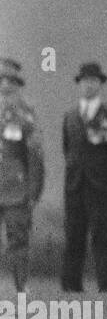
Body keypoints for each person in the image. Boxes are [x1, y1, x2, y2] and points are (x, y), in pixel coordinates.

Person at [61, 62, 107, 293]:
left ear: (100, 84)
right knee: (73, 237)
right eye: (85, 81)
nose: (89, 85)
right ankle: (71, 287)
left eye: (93, 81)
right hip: (75, 186)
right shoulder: (69, 116)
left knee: (103, 238)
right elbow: (67, 149)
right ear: (79, 84)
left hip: (101, 187)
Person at [0, 58, 44, 292]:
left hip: (15, 188)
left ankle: (21, 288)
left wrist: (34, 190)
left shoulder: (25, 114)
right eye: (1, 80)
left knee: (18, 240)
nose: (4, 86)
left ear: (18, 85)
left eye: (10, 82)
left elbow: (35, 155)